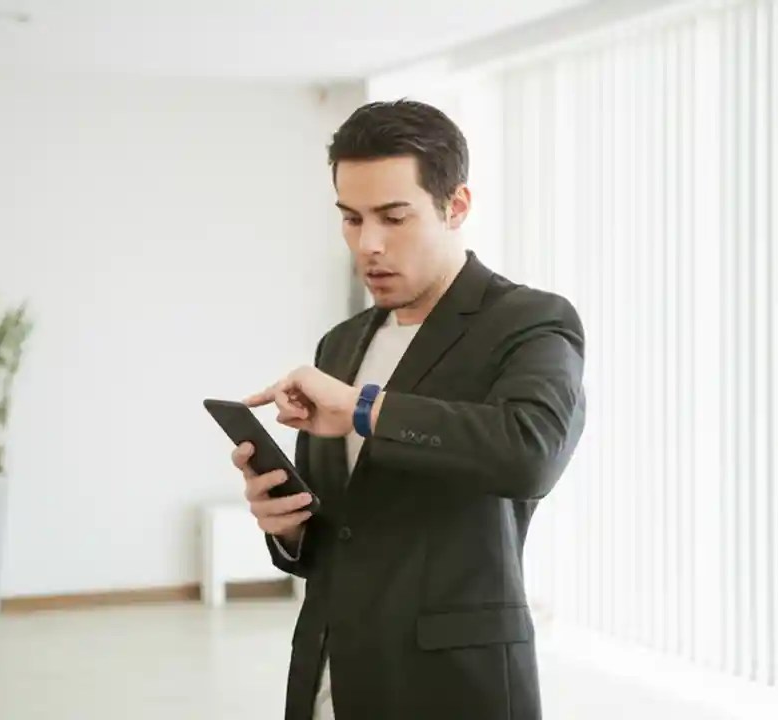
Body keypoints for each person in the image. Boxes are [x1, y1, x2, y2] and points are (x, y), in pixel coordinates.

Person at [230, 99, 586, 720]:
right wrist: (287, 527)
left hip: (451, 687)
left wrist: (365, 410)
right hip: (329, 681)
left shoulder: (529, 322)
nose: (368, 244)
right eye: (351, 219)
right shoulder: (339, 345)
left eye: (394, 217)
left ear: (457, 207)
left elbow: (530, 453)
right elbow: (341, 534)